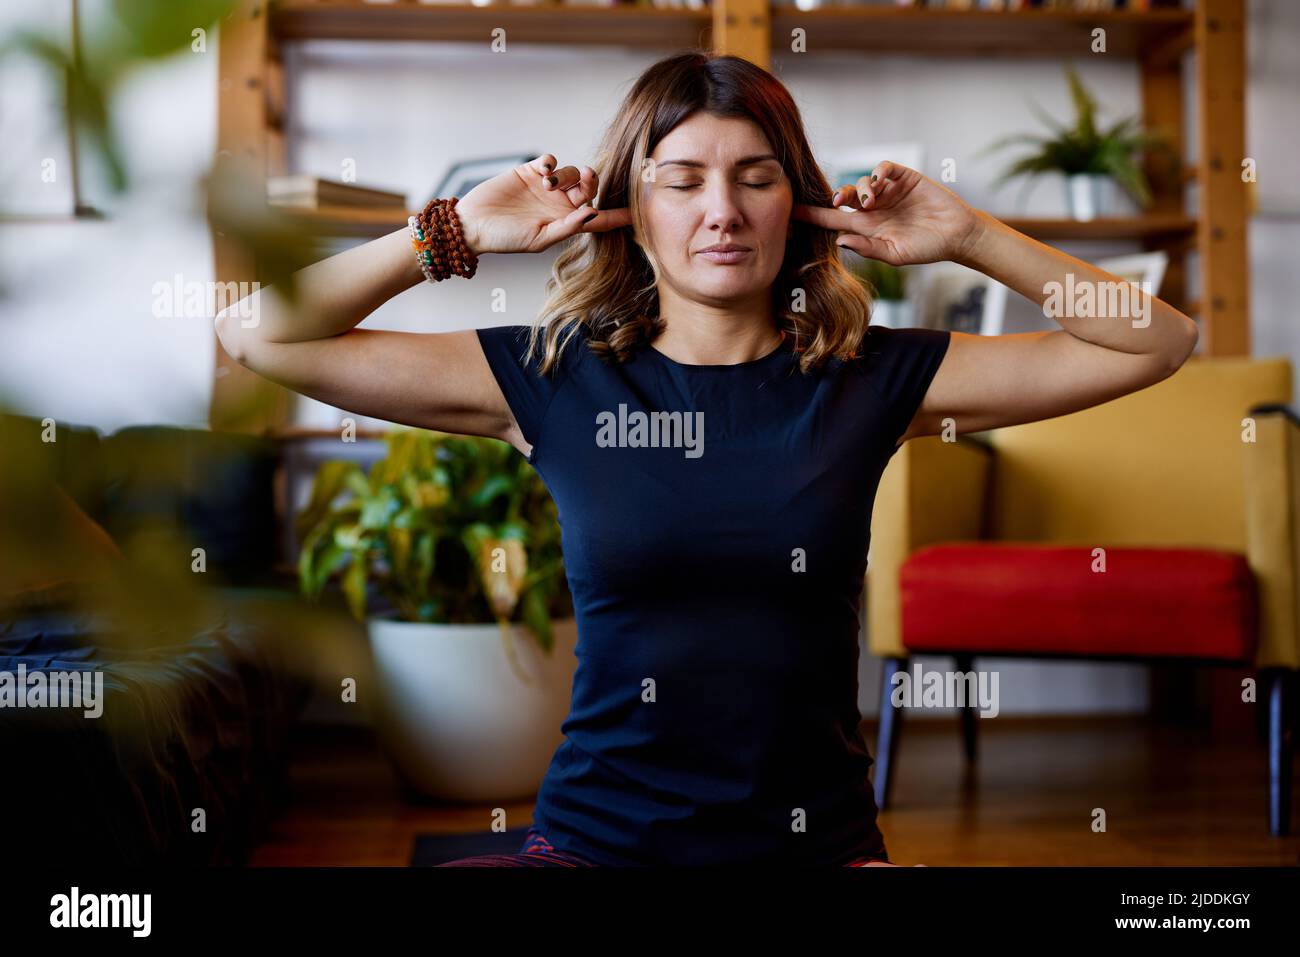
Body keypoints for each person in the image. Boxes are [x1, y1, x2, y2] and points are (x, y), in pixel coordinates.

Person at [215, 53, 1198, 867]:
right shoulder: (550, 377)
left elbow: (1155, 341)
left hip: (815, 845)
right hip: (602, 842)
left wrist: (972, 238)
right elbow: (258, 335)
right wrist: (452, 231)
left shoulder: (869, 378)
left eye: (755, 178)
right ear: (630, 215)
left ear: (799, 207)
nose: (720, 210)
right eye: (681, 182)